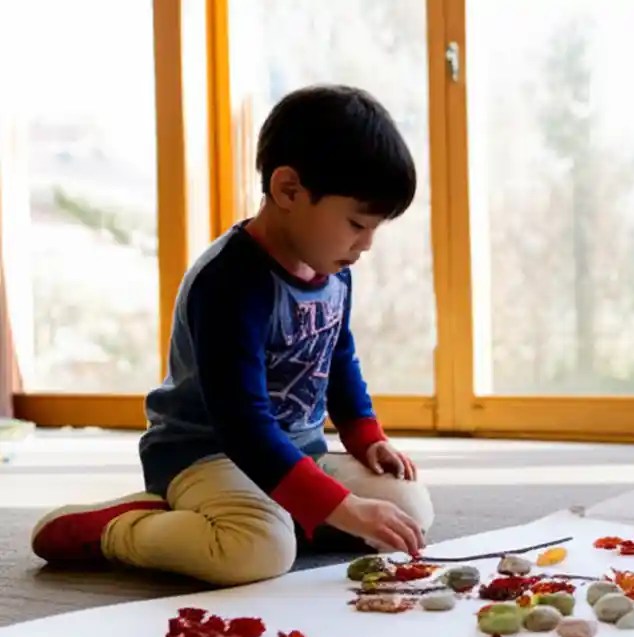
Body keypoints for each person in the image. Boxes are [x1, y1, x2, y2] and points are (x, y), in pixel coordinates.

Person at [30, 85, 434, 586]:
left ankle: (283, 512)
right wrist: (342, 508)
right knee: (258, 551)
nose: (366, 245)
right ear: (288, 190)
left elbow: (337, 353)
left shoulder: (333, 268)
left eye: (375, 228)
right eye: (356, 223)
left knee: (409, 509)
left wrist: (364, 434)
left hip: (292, 451)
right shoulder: (230, 282)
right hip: (207, 452)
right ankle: (123, 526)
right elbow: (242, 426)